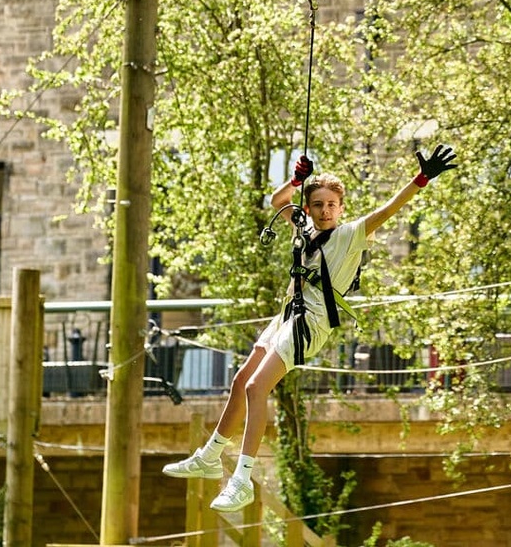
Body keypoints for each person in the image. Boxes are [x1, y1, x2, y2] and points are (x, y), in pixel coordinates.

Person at [162, 142, 458, 512]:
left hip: (312, 321)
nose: (324, 210)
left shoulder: (350, 236)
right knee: (241, 380)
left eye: (331, 204)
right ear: (310, 208)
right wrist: (295, 179)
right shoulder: (302, 229)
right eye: (317, 204)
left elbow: (388, 210)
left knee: (256, 388)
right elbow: (276, 201)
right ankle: (209, 456)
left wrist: (421, 178)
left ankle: (242, 479)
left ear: (341, 208)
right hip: (287, 314)